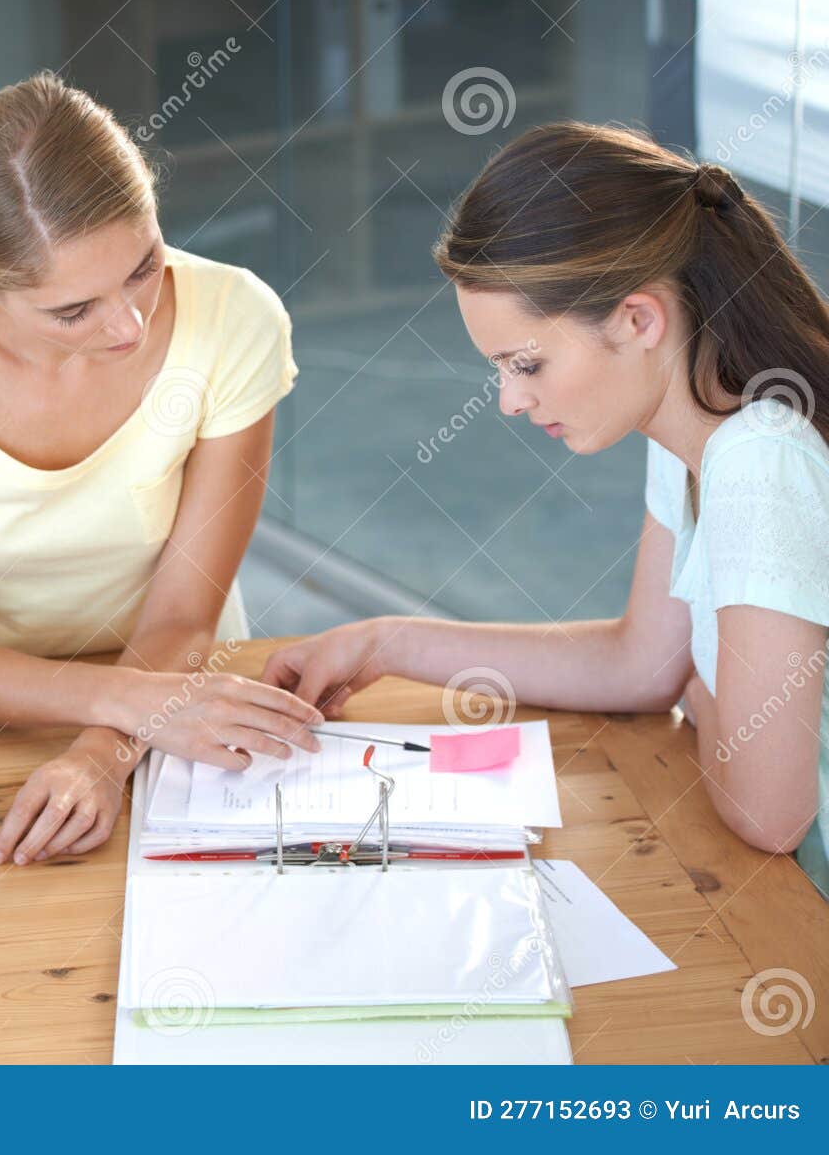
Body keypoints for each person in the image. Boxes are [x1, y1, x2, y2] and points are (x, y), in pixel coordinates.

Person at [262, 122, 829, 899]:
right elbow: (642, 663)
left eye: (527, 363)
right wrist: (382, 643)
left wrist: (703, 691)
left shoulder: (761, 457)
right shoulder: (689, 432)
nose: (510, 400)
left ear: (639, 320)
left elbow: (770, 815)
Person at [0, 73, 322, 867]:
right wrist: (127, 708)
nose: (129, 325)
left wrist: (104, 752)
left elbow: (185, 612)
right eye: (73, 310)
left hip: (170, 686)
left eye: (143, 266)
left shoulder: (237, 318)